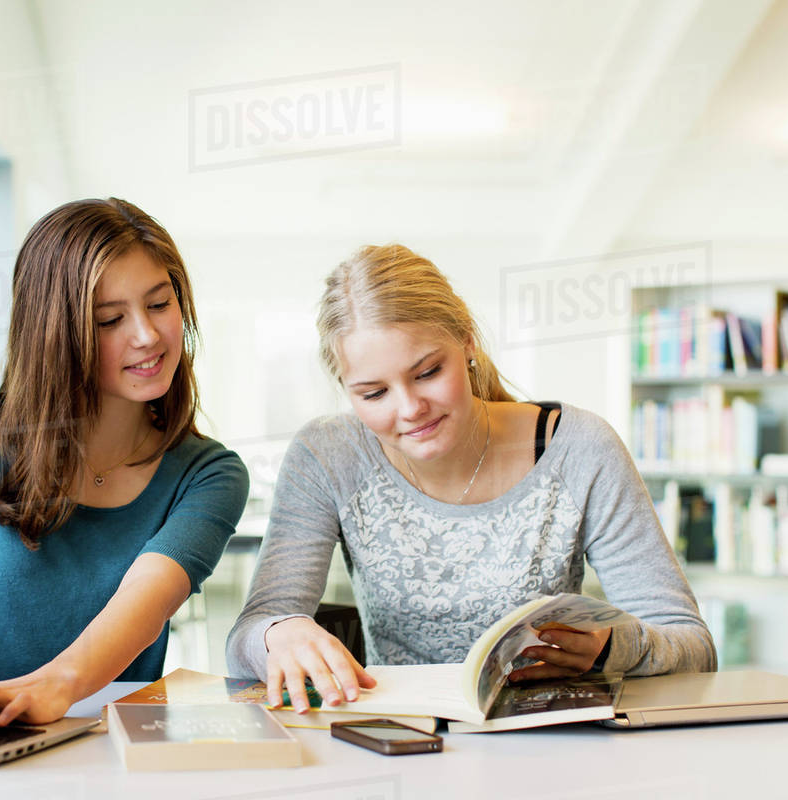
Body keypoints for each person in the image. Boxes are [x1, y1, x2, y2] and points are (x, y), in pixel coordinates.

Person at [225, 244, 715, 712]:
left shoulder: (581, 448)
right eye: (374, 394)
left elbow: (693, 645)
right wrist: (278, 633)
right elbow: (247, 639)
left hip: (553, 742)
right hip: (403, 744)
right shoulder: (328, 454)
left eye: (428, 372)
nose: (411, 409)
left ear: (467, 342)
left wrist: (614, 648)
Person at [0, 198, 249, 726]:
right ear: (54, 334)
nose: (147, 336)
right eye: (109, 319)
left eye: (159, 304)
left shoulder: (208, 475)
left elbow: (146, 604)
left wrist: (56, 688)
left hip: (107, 752)